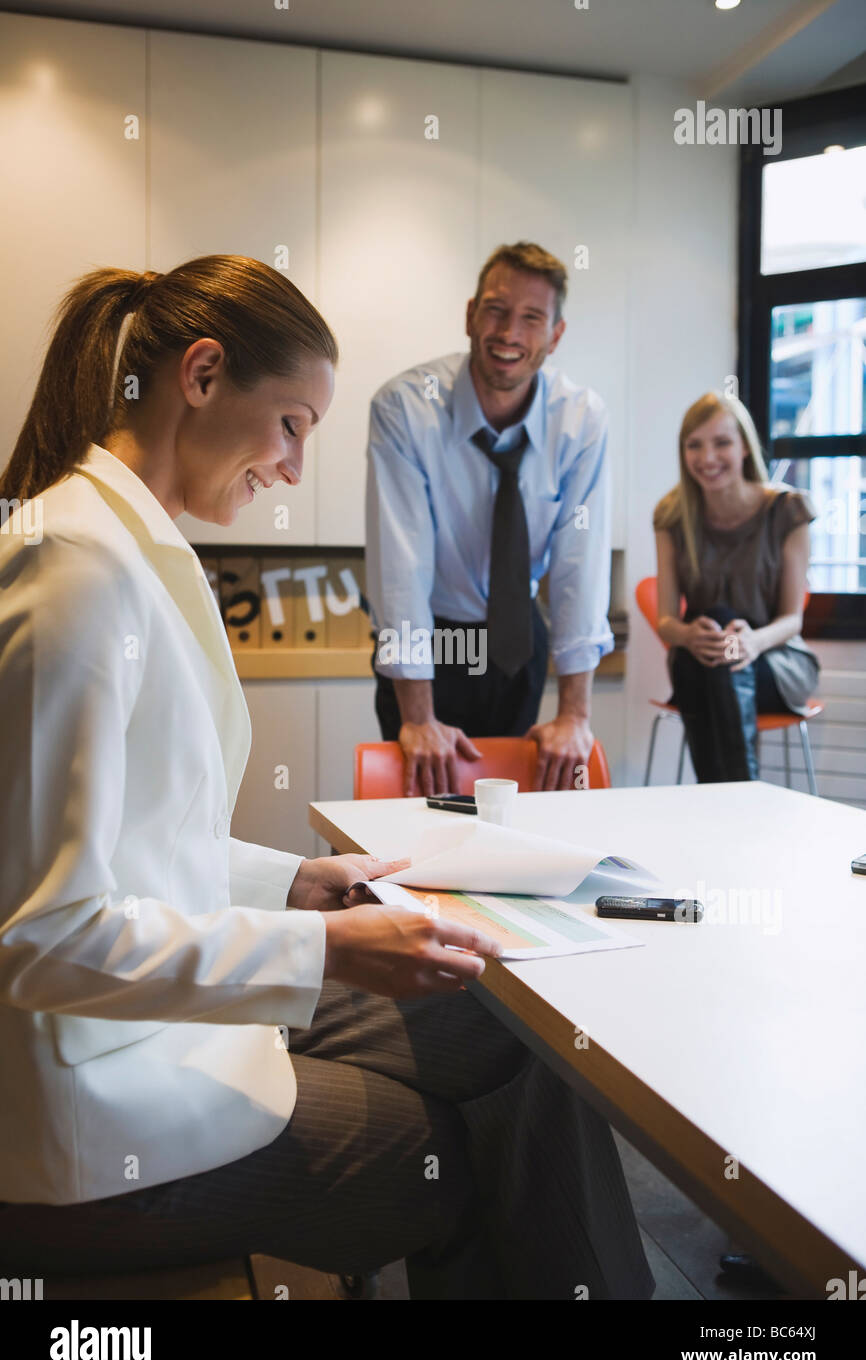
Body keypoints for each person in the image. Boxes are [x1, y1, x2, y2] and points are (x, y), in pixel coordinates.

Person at [0, 255, 653, 1300]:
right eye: (293, 424)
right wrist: (322, 946)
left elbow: (142, 841)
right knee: (449, 1151)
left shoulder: (133, 549)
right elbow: (40, 936)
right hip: (91, 1116)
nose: (296, 469)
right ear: (203, 376)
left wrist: (292, 887)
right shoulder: (73, 570)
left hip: (143, 1027)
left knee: (509, 1026)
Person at [365, 241, 614, 797]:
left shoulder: (581, 421)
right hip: (433, 636)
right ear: (470, 314)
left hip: (515, 638)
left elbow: (581, 564)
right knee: (425, 806)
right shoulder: (406, 408)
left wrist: (575, 714)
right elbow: (400, 564)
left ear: (555, 335)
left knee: (506, 807)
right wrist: (419, 717)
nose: (510, 332)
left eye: (532, 318)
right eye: (497, 310)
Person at [653, 391, 820, 783]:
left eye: (722, 443)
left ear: (744, 446)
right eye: (694, 445)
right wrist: (688, 635)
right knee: (711, 636)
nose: (707, 458)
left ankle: (721, 802)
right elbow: (665, 621)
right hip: (703, 658)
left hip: (775, 662)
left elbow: (791, 620)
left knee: (719, 639)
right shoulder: (670, 515)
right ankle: (741, 801)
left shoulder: (789, 510)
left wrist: (753, 642)